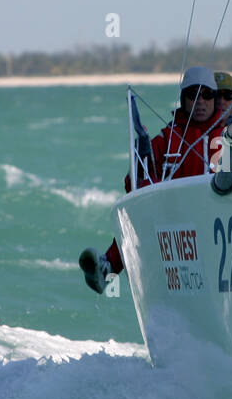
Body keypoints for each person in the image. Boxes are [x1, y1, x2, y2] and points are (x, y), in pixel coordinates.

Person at [79, 67, 222, 293]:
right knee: (142, 204)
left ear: (216, 99)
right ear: (183, 99)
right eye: (193, 95)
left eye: (207, 95)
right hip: (178, 230)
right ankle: (108, 270)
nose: (200, 101)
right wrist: (142, 160)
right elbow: (132, 185)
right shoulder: (167, 139)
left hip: (218, 225)